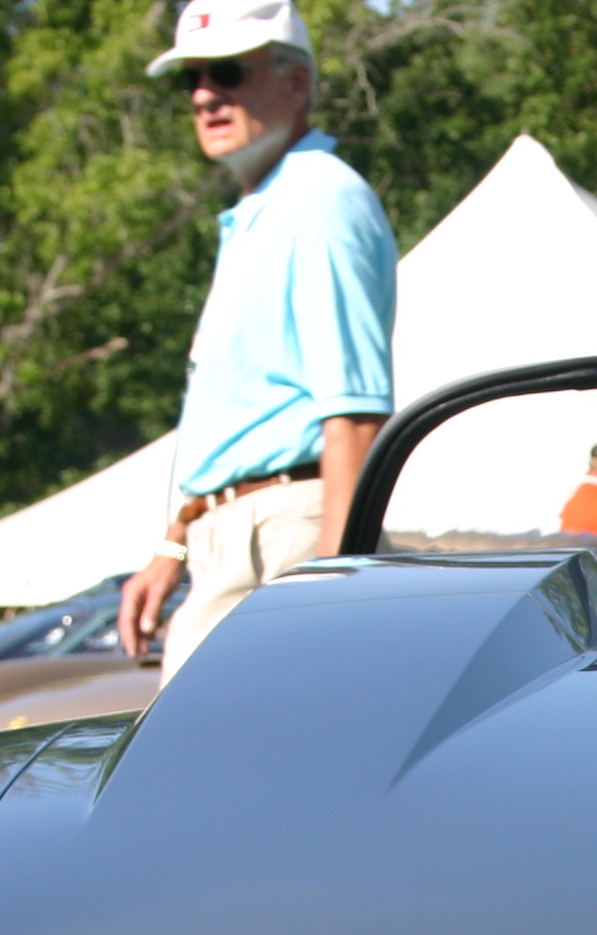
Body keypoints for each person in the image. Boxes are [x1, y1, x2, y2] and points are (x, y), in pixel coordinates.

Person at [116, 0, 399, 676]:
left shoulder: (321, 199)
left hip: (291, 533)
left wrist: (337, 582)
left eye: (227, 73)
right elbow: (239, 424)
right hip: (236, 539)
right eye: (191, 81)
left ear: (295, 84)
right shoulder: (266, 209)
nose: (206, 96)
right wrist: (174, 546)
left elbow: (355, 413)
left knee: (242, 767)